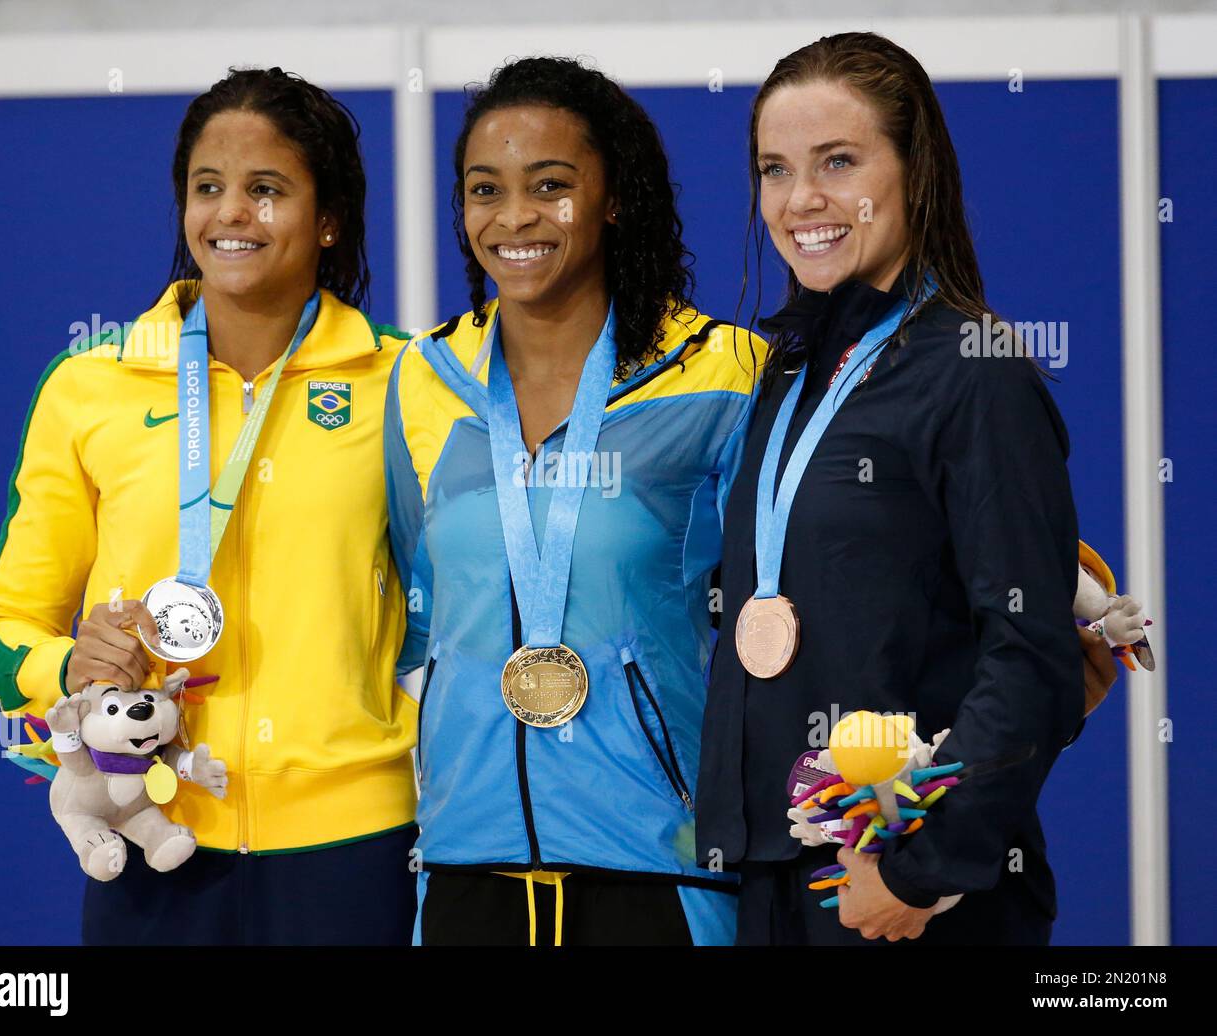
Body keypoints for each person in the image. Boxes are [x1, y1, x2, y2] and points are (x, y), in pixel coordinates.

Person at [0, 67, 418, 945]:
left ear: (328, 219)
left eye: (266, 190)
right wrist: (70, 668)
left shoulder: (403, 379)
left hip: (354, 843)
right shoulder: (90, 386)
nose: (231, 215)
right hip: (153, 835)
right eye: (207, 188)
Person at [696, 32, 1087, 946]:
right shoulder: (789, 375)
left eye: (839, 161)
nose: (803, 201)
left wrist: (922, 874)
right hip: (775, 877)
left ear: (915, 171)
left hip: (908, 898)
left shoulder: (974, 371)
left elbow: (1028, 653)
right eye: (775, 169)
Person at [385, 57, 761, 945]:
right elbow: (421, 608)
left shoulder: (722, 373)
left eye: (550, 186)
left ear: (614, 198)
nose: (514, 218)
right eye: (486, 189)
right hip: (464, 865)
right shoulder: (423, 377)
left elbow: (784, 606)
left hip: (657, 862)